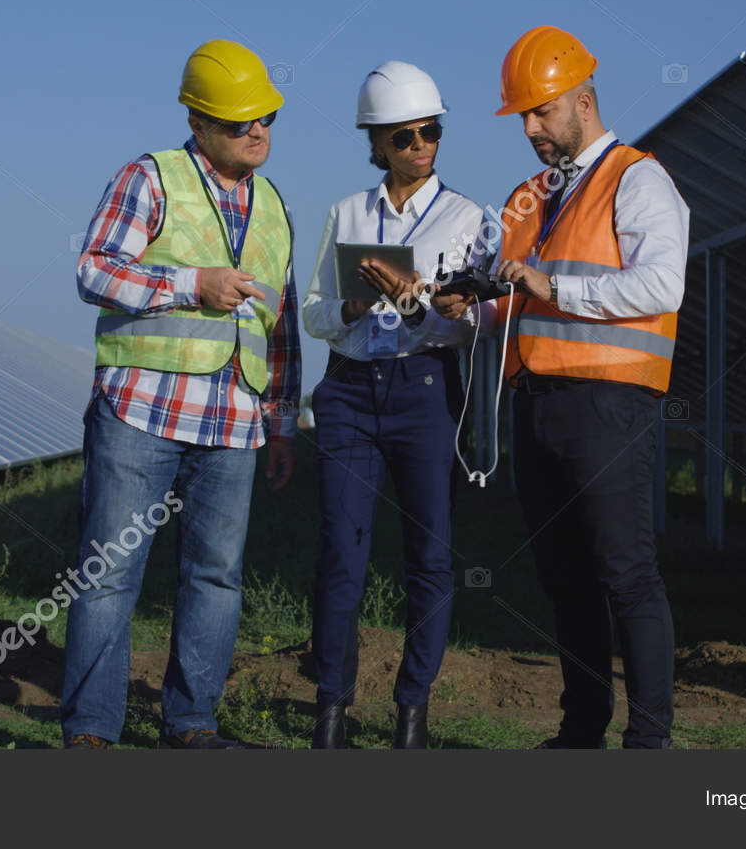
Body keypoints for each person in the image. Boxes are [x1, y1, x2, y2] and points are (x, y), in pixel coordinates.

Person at [434, 26, 690, 749]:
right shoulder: (527, 199)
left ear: (583, 101)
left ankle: (649, 743)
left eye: (541, 112)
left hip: (610, 403)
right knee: (565, 578)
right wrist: (468, 309)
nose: (530, 129)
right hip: (537, 405)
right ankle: (581, 733)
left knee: (626, 573)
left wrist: (555, 287)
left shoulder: (638, 179)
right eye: (522, 115)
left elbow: (661, 285)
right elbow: (515, 303)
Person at [61, 39, 300, 750]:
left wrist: (283, 422)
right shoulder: (150, 178)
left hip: (233, 422)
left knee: (216, 578)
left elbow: (280, 326)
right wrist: (191, 283)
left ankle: (191, 727)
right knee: (109, 573)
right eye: (238, 121)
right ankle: (91, 733)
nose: (256, 131)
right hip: (142, 409)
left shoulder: (275, 206)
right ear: (197, 122)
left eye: (266, 117)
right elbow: (94, 272)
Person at [301, 61, 484, 748]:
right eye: (404, 136)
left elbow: (470, 327)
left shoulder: (469, 218)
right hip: (349, 389)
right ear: (376, 142)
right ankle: (331, 712)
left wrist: (413, 307)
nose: (420, 145)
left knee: (429, 553)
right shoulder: (346, 213)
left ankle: (412, 715)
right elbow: (314, 312)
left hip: (423, 389)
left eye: (430, 131)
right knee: (340, 552)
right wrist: (351, 307)